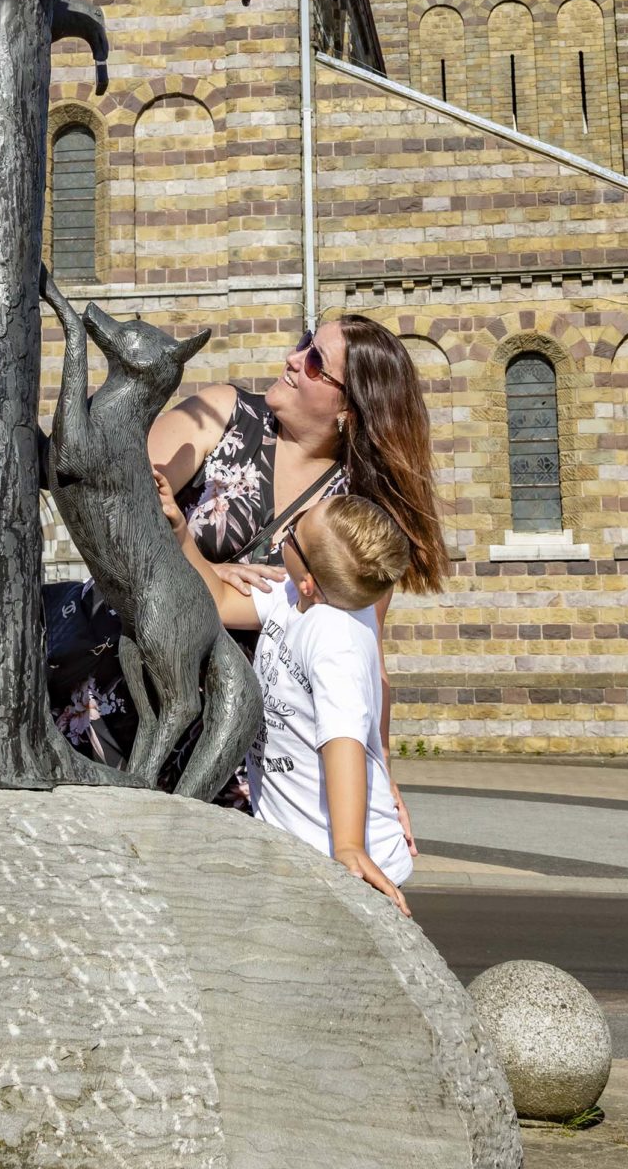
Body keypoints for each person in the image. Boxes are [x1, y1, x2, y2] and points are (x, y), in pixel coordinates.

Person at [146, 313, 447, 825]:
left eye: (313, 361)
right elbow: (123, 502)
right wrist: (208, 569)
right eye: (305, 342)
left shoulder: (354, 514)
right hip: (133, 688)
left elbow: (363, 654)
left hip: (237, 744)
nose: (292, 358)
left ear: (349, 407)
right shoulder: (223, 413)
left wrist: (382, 776)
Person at [168, 483, 415, 913]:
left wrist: (350, 846)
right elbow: (222, 601)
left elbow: (344, 740)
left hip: (347, 858)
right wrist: (181, 534)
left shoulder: (335, 637)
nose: (286, 532)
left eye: (294, 534)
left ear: (308, 582)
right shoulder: (293, 598)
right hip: (301, 842)